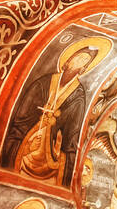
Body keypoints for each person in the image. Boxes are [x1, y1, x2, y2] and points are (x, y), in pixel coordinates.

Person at [6, 43, 103, 188]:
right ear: (68, 60)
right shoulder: (44, 82)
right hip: (30, 138)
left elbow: (72, 133)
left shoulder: (78, 94)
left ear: (83, 69)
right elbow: (22, 116)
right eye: (77, 57)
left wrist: (57, 141)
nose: (78, 62)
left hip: (52, 147)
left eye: (83, 61)